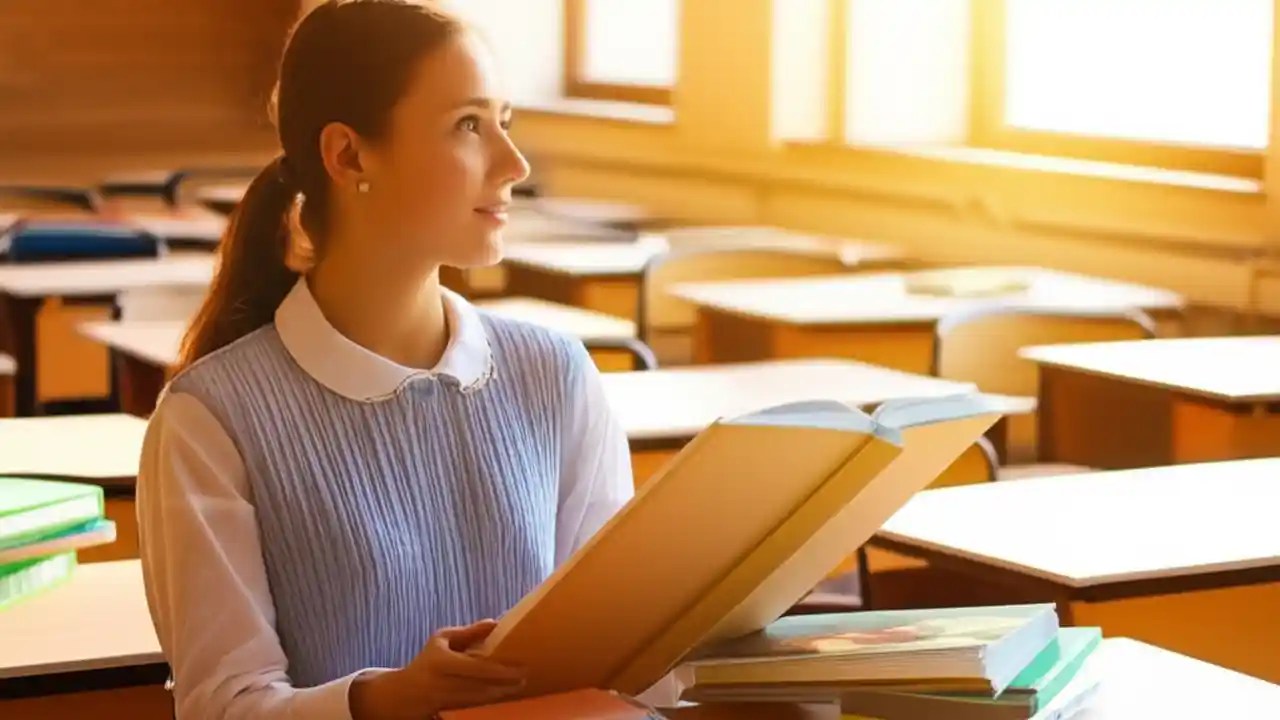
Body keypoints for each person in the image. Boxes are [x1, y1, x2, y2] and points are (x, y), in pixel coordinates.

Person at [136, 2, 633, 718]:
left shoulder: (557, 373)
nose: (514, 163)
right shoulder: (210, 419)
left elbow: (622, 651)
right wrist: (391, 698)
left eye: (506, 122)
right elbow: (224, 707)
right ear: (349, 156)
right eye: (468, 125)